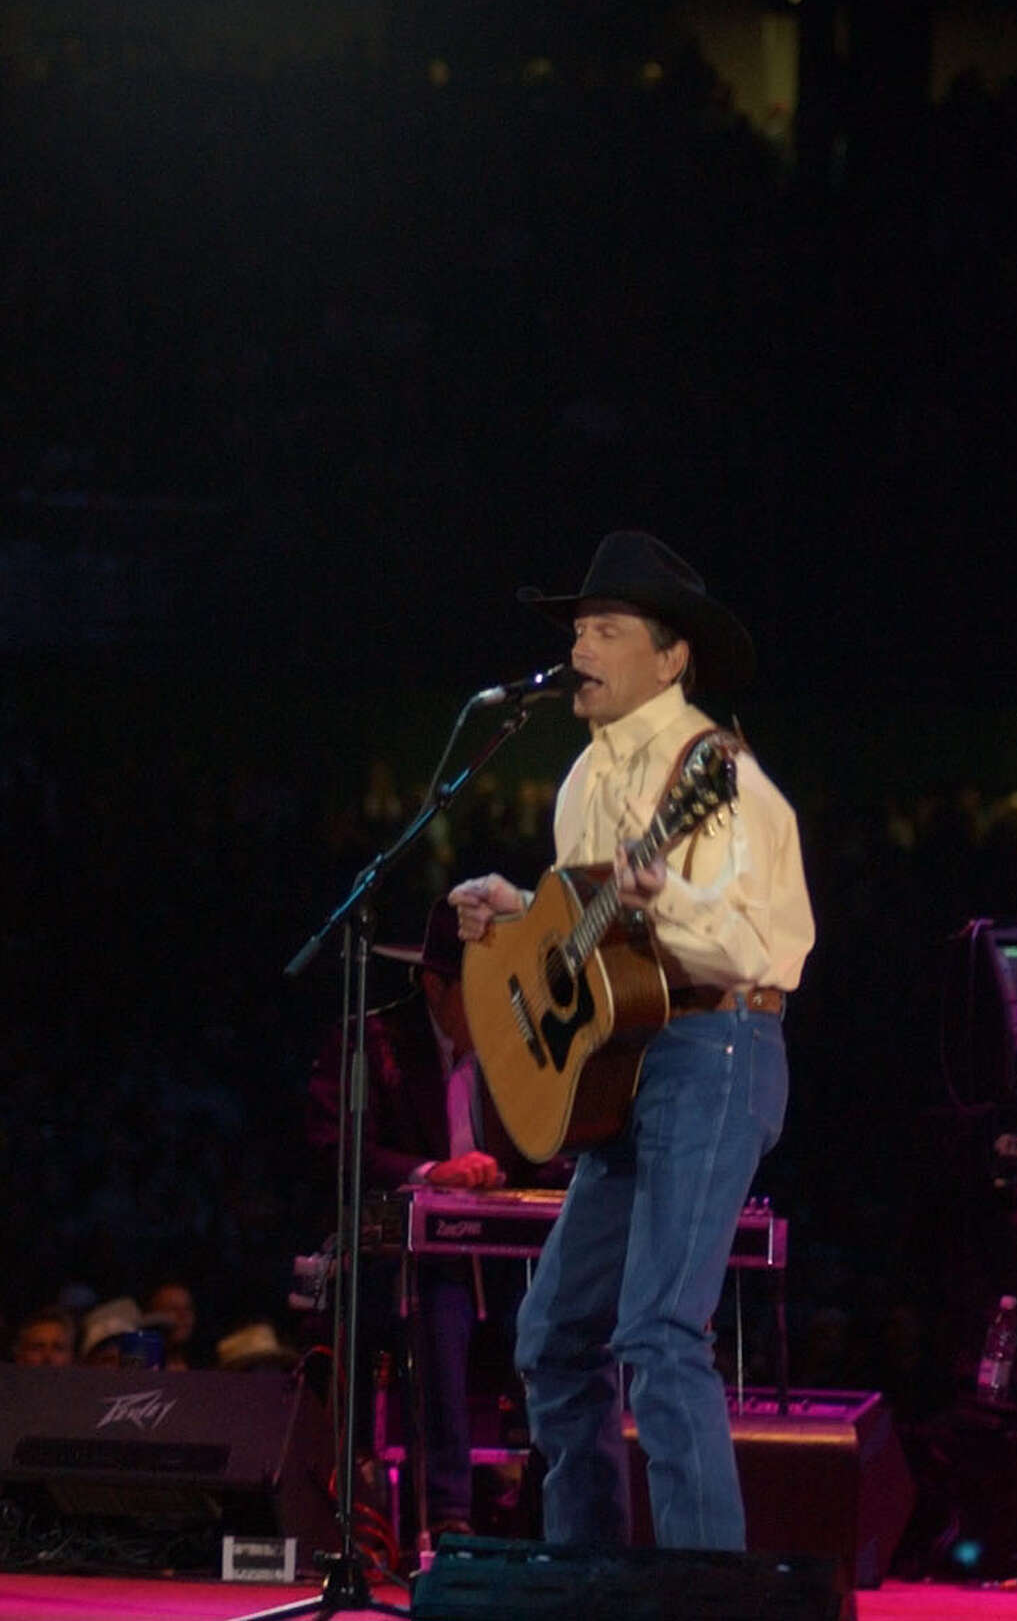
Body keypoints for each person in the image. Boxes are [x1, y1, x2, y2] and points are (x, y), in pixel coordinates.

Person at [452, 529, 815, 1554]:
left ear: (671, 657)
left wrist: (669, 895)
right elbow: (589, 938)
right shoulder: (580, 781)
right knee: (554, 1337)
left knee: (659, 1328)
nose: (582, 647)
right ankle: (586, 1572)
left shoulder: (719, 778)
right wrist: (520, 914)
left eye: (607, 630)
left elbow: (762, 943)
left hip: (719, 1049)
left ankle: (709, 1588)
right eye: (579, 629)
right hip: (626, 1061)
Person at [306, 898, 541, 1538]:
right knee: (440, 1302)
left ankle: (553, 1511)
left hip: (504, 1263)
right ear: (435, 985)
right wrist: (432, 1174)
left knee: (567, 1312)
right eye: (480, 992)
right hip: (403, 1266)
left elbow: (542, 1153)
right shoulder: (373, 1041)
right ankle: (448, 1515)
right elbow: (336, 1148)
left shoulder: (516, 1050)